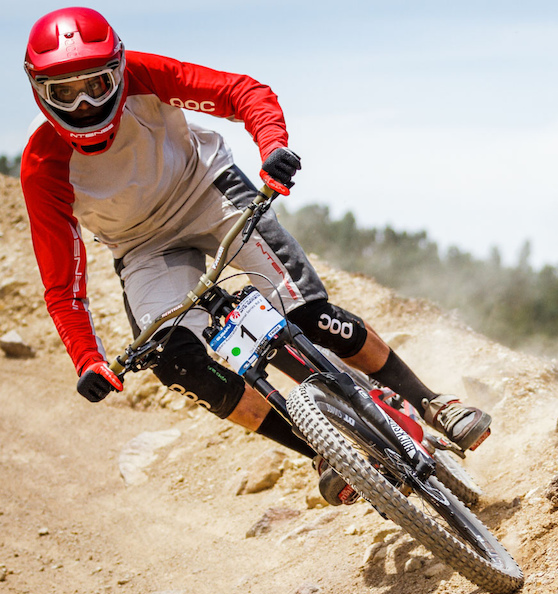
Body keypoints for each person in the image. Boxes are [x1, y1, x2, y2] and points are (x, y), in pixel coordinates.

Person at [20, 7, 491, 504]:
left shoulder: (145, 74)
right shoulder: (41, 166)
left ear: (118, 68)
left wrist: (272, 147)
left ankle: (431, 402)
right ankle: (323, 451)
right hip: (142, 246)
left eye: (96, 83)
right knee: (174, 360)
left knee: (306, 311)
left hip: (206, 191)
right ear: (38, 89)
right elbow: (63, 288)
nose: (86, 103)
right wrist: (87, 359)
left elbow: (241, 92)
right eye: (64, 92)